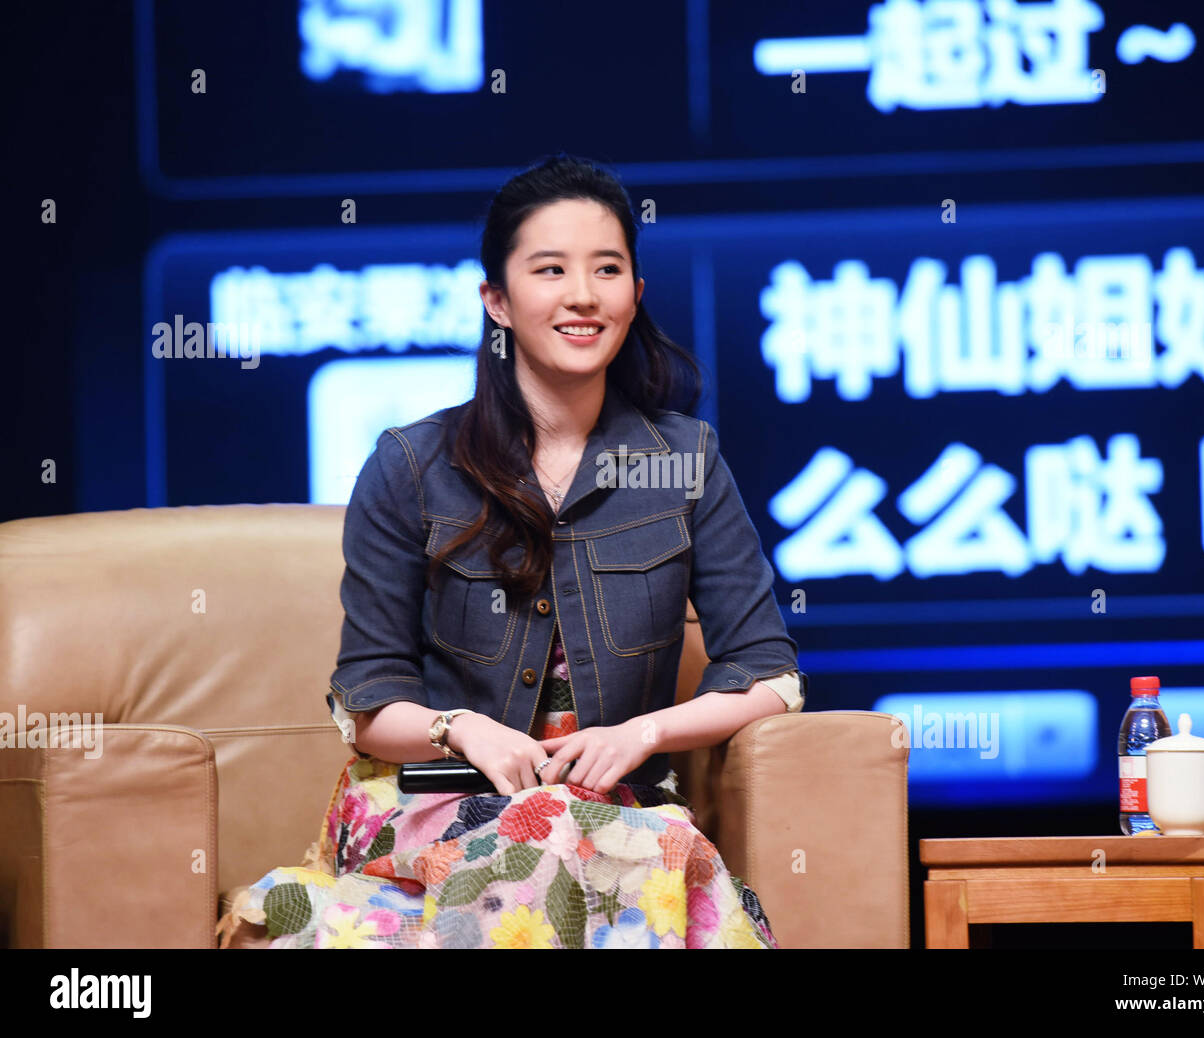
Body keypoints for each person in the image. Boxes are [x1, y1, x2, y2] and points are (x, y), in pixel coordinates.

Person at [216, 154, 808, 949]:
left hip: (612, 819)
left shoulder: (685, 461)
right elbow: (367, 699)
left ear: (636, 293)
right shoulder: (410, 466)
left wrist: (643, 735)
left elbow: (768, 675)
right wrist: (464, 729)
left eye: (608, 269)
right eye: (550, 269)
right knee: (555, 851)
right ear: (496, 299)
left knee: (596, 842)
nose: (582, 295)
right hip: (428, 806)